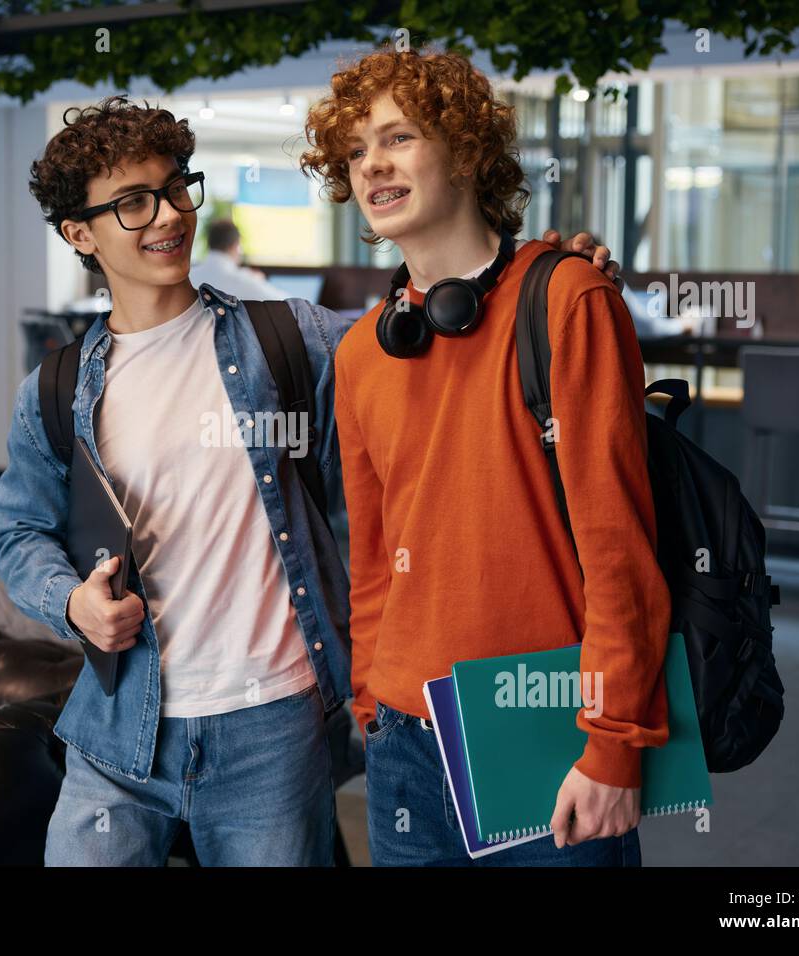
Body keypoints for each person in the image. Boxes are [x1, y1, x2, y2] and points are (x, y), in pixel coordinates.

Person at [0, 94, 618, 866]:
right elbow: (19, 533)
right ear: (78, 233)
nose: (168, 216)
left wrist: (540, 275)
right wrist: (71, 603)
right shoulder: (56, 391)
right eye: (132, 203)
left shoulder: (291, 338)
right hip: (120, 729)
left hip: (273, 723)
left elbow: (446, 338)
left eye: (176, 188)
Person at [300, 46, 671, 866]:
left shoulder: (568, 299)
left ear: (466, 151)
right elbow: (368, 557)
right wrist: (370, 699)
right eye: (356, 152)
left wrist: (614, 740)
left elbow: (618, 547)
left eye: (398, 138)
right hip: (402, 742)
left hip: (544, 730)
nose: (373, 166)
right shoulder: (362, 351)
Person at [189, 218, 290, 300]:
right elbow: (288, 303)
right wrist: (259, 282)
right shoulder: (245, 280)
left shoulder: (188, 277)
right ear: (236, 245)